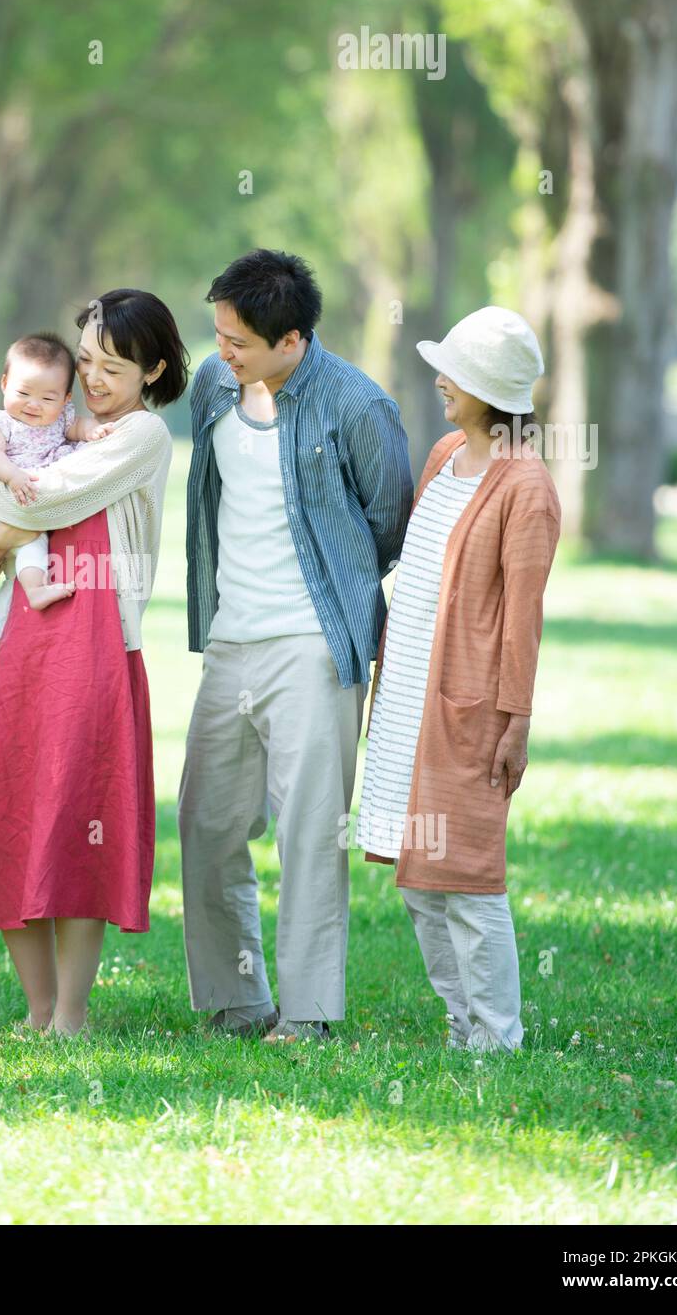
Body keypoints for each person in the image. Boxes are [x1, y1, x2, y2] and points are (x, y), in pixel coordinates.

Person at [0, 290, 187, 1036]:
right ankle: (37, 1009)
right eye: (86, 361)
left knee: (83, 821)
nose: (92, 380)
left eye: (113, 369)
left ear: (152, 370)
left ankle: (73, 1012)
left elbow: (45, 500)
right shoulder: (51, 427)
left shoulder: (142, 436)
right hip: (26, 646)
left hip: (95, 650)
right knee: (8, 817)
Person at [178, 249, 413, 1043]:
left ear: (292, 341)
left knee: (310, 833)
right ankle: (236, 999)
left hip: (314, 646)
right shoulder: (214, 387)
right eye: (219, 335)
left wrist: (336, 589)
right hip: (229, 641)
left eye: (239, 341)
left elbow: (388, 523)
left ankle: (308, 1013)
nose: (223, 353)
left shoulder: (357, 406)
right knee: (208, 827)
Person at [356, 305, 561, 1053]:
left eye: (459, 375)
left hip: (470, 706)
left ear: (494, 393)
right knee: (416, 876)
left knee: (468, 878)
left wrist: (516, 719)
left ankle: (497, 1038)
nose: (442, 381)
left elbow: (521, 617)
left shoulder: (527, 488)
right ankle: (461, 1023)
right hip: (411, 691)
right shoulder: (445, 454)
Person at [0, 331, 112, 614]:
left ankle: (33, 594)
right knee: (32, 541)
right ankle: (27, 596)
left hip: (26, 508)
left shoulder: (61, 421)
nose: (33, 405)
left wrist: (93, 431)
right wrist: (12, 476)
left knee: (28, 556)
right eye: (23, 393)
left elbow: (79, 427)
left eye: (48, 398)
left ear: (65, 399)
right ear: (4, 384)